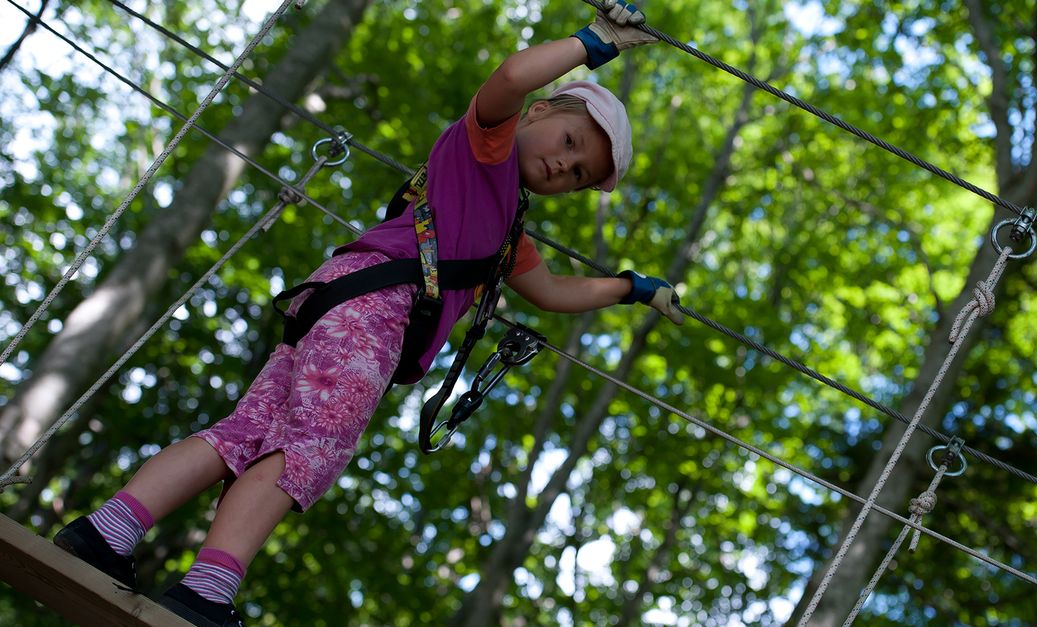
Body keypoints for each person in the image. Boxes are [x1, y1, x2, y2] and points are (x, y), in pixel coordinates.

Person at [51, 2, 681, 626]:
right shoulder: (484, 147)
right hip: (374, 311)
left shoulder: (508, 230)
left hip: (343, 302)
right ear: (540, 113)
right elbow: (512, 77)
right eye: (569, 143)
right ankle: (206, 594)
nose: (562, 167)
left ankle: (107, 533)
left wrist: (631, 288)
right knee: (311, 446)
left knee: (247, 434)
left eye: (576, 175)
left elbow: (551, 293)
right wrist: (595, 42)